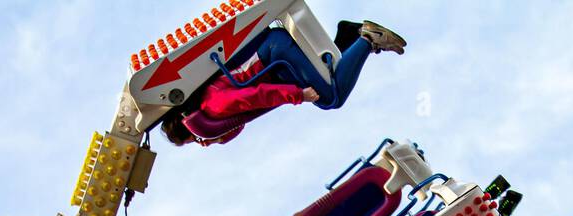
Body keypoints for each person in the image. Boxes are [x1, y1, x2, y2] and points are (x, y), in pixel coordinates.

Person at [161, 20, 406, 147]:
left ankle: (368, 38)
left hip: (274, 52)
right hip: (275, 62)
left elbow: (254, 97)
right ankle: (347, 36)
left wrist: (298, 95)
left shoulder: (211, 106)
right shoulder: (209, 101)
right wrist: (217, 138)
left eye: (193, 140)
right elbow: (241, 122)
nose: (200, 143)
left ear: (189, 128)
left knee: (331, 97)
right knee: (324, 84)